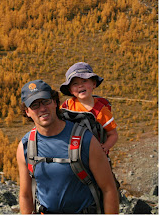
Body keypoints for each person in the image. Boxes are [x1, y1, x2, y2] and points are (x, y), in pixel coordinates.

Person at [16, 80, 118, 214]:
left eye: (46, 101)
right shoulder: (26, 146)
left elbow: (109, 189)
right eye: (34, 105)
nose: (42, 108)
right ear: (27, 112)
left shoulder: (85, 140)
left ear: (55, 102)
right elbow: (25, 195)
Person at [60, 62, 118, 154]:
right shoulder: (66, 106)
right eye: (75, 83)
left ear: (94, 84)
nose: (80, 85)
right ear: (70, 90)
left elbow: (113, 134)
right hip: (72, 154)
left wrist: (104, 147)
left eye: (84, 81)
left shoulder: (102, 110)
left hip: (94, 155)